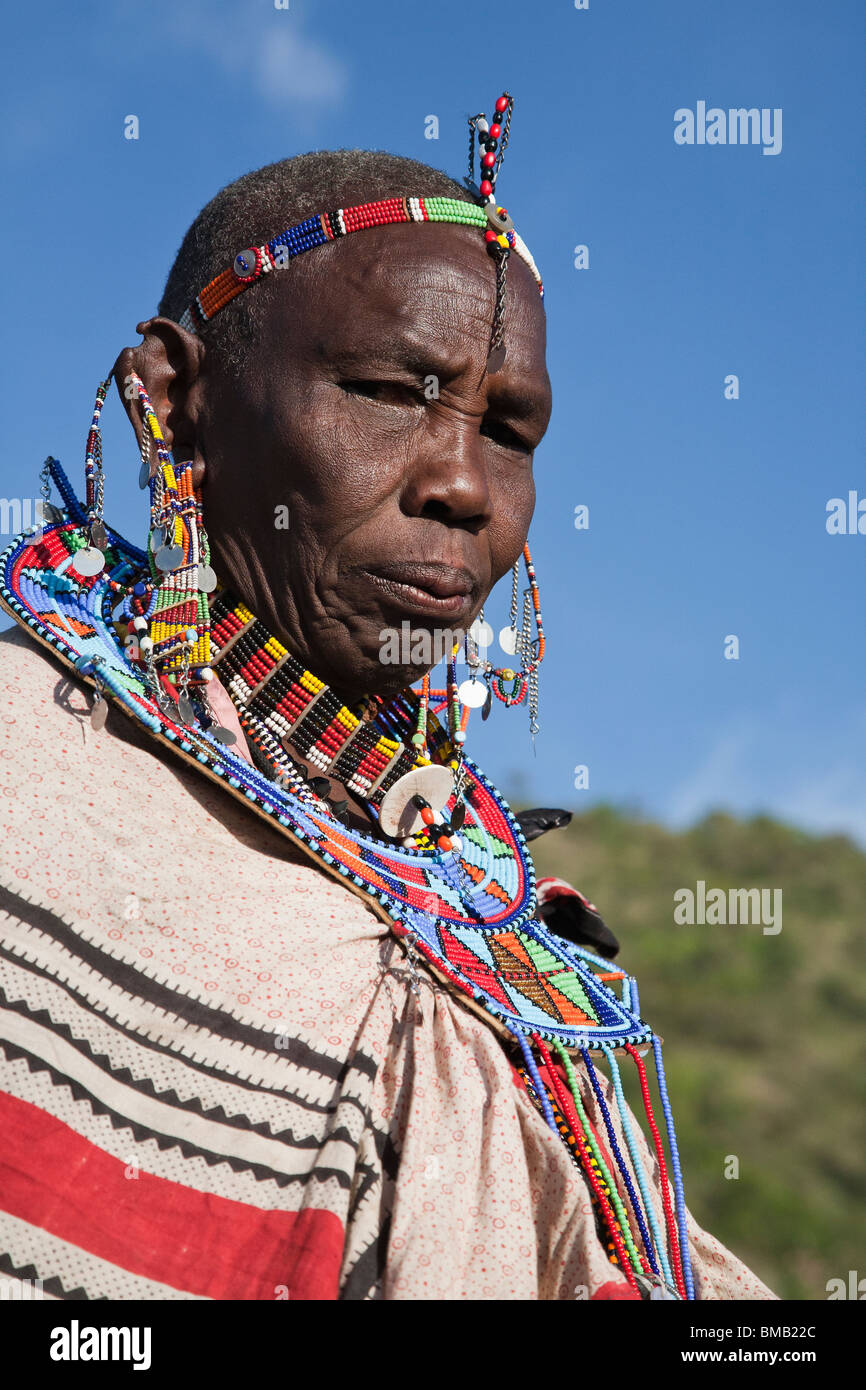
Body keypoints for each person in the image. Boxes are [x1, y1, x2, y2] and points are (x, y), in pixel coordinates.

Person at [0, 92, 774, 1301]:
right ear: (172, 393)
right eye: (387, 389)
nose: (466, 487)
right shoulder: (28, 763)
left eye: (508, 429)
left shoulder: (483, 912)